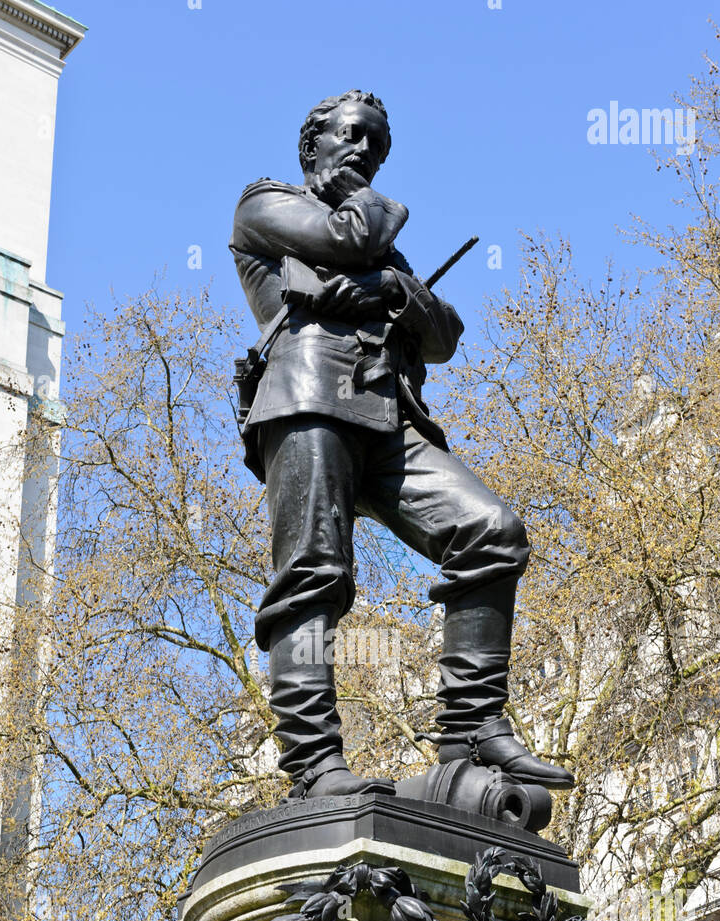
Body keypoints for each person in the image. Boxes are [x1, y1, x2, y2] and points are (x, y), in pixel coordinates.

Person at [230, 90, 572, 799]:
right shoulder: (265, 203)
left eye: (377, 147)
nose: (364, 153)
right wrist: (378, 250)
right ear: (311, 145)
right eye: (352, 137)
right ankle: (316, 765)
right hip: (308, 400)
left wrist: (389, 286)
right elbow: (345, 240)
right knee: (312, 577)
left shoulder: (380, 241)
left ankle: (471, 730)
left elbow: (442, 334)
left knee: (490, 530)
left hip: (391, 418)